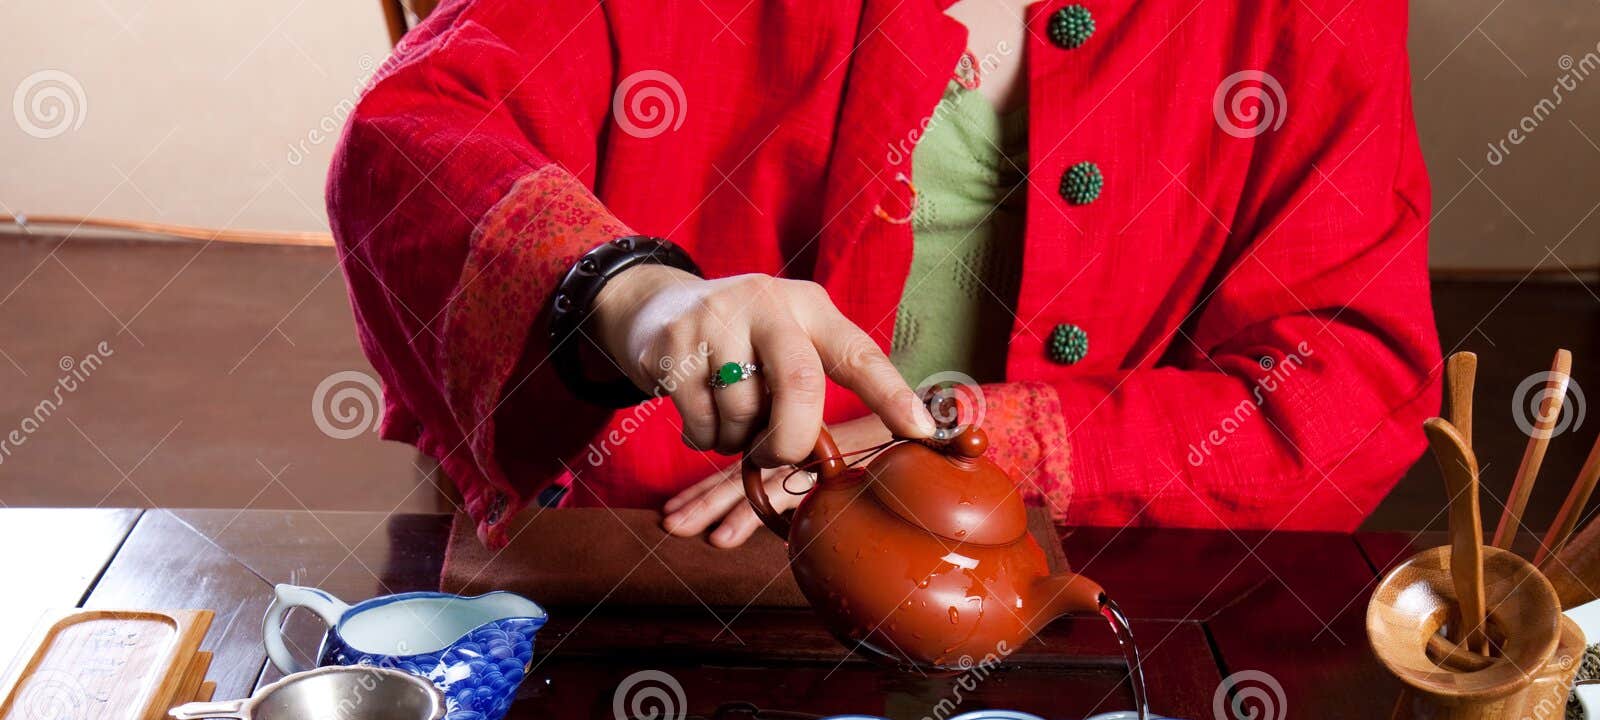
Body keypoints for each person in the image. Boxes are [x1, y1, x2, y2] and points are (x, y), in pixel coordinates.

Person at [328, 0, 1439, 549]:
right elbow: (411, 138)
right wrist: (633, 295)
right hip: (678, 561)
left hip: (1080, 590)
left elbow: (1345, 378)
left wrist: (956, 436)